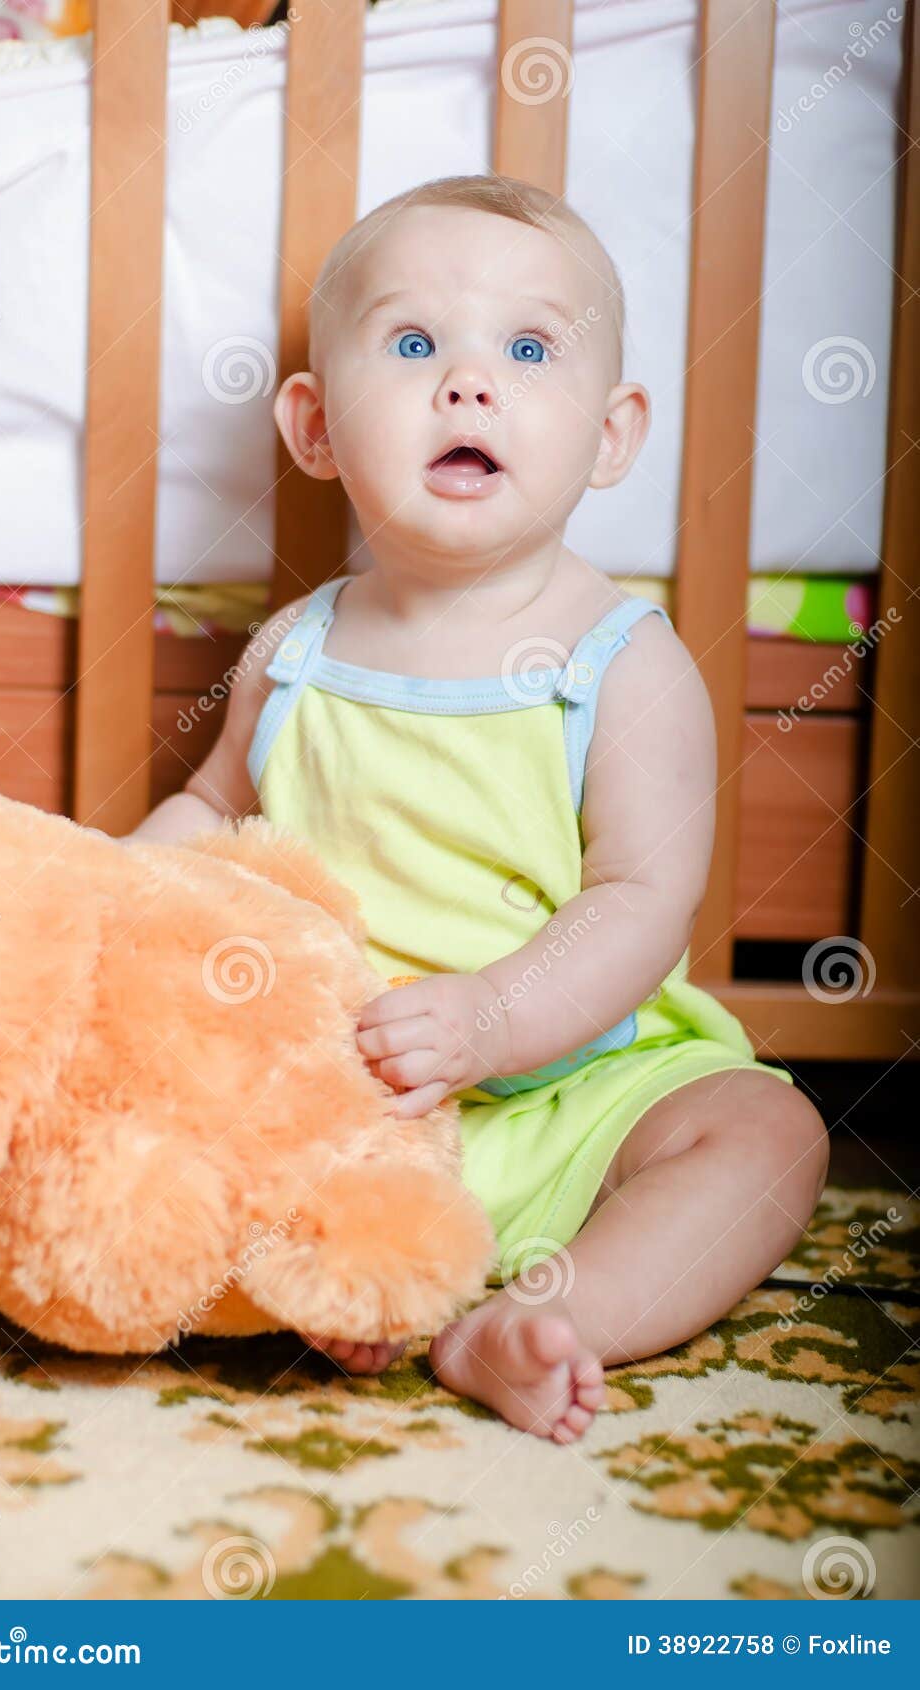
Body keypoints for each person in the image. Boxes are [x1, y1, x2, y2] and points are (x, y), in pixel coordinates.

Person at [130, 175, 827, 1442]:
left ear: (612, 433)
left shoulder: (619, 661)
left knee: (765, 1133)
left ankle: (547, 1315)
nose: (467, 384)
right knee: (160, 1115)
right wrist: (102, 899)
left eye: (525, 349)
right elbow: (209, 813)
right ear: (315, 426)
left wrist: (499, 1015)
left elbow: (644, 899)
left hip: (568, 1086)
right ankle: (334, 1267)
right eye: (411, 345)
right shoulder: (294, 650)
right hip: (348, 1094)